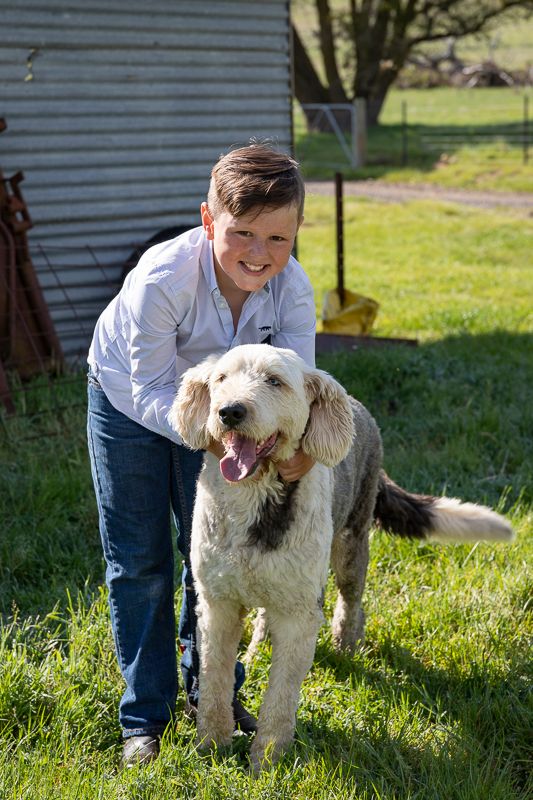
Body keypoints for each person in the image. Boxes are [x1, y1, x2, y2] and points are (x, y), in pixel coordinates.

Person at [86, 143, 317, 768]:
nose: (259, 253)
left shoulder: (292, 291)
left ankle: (212, 696)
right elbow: (148, 388)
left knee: (215, 556)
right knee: (140, 559)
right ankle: (145, 716)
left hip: (235, 420)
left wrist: (295, 451)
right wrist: (216, 435)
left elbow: (300, 386)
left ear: (296, 233)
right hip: (132, 404)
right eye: (241, 232)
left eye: (277, 237)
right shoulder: (162, 280)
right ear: (208, 221)